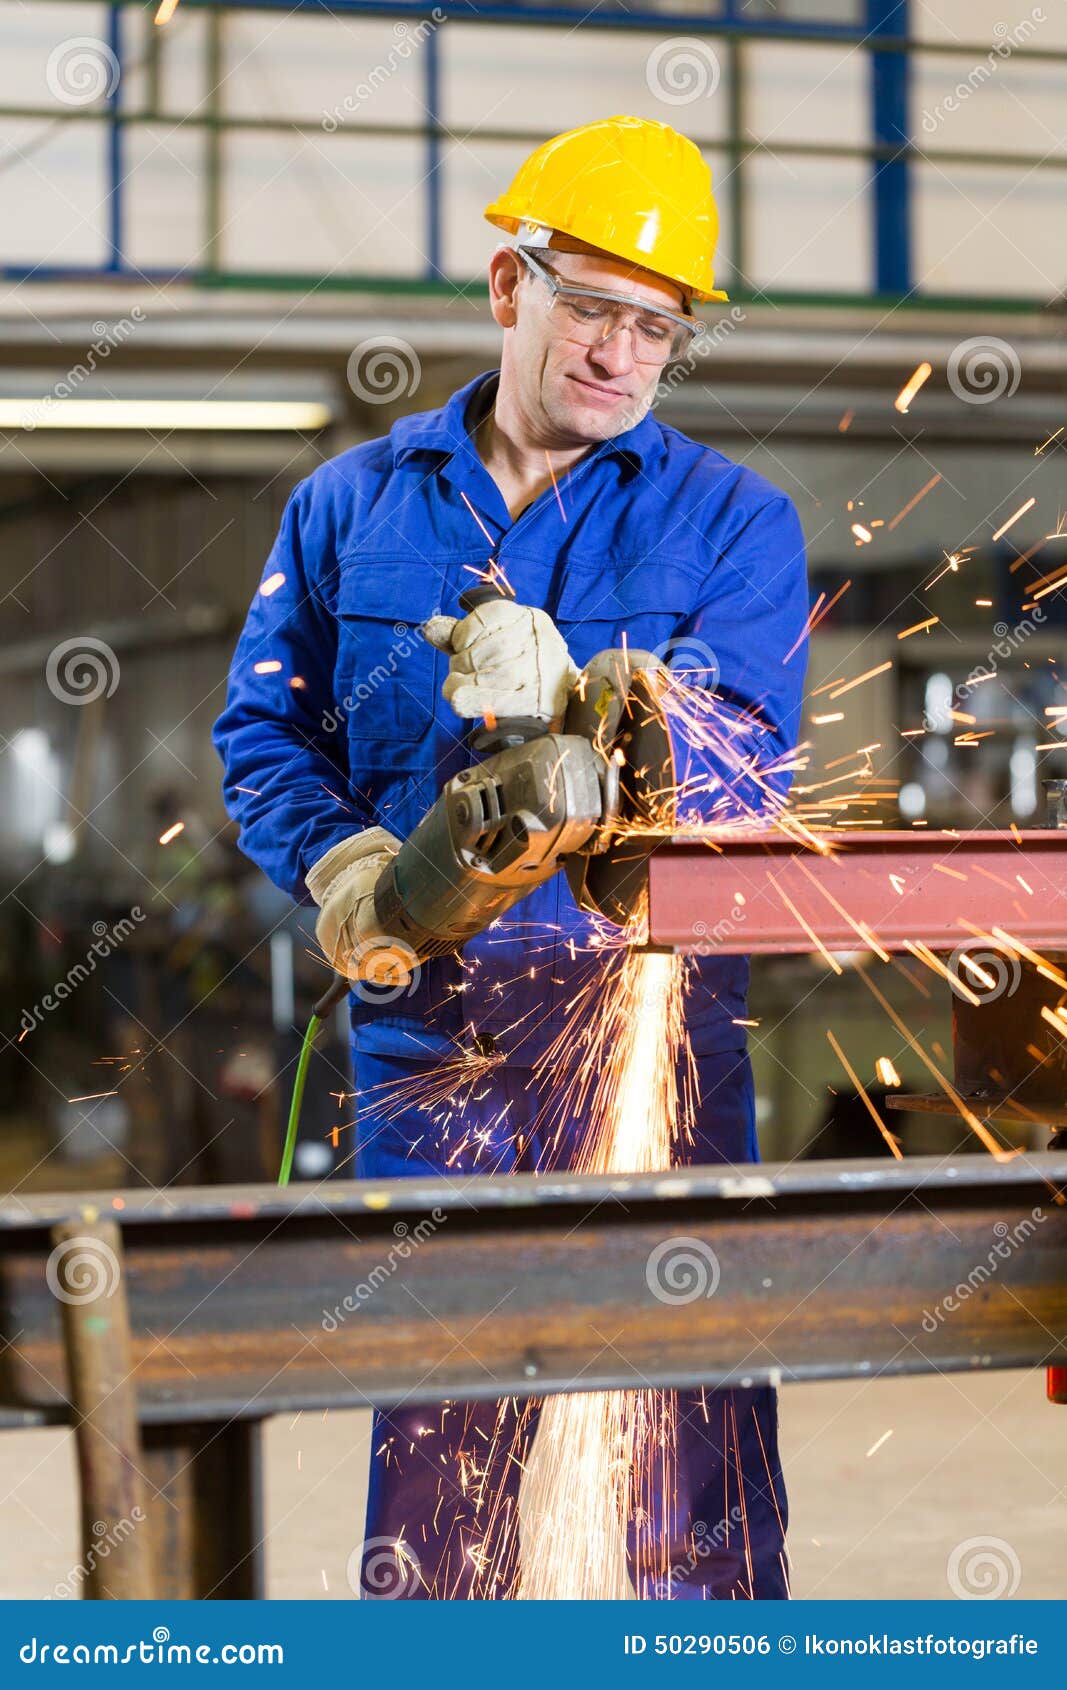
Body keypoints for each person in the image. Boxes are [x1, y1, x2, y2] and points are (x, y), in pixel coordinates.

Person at [214, 115, 809, 1600]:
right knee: (448, 1449)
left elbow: (747, 764)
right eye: (593, 308)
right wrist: (345, 862)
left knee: (677, 1444)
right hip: (433, 1039)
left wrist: (620, 717)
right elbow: (265, 730)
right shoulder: (349, 504)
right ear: (508, 286)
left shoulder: (737, 520)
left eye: (657, 328)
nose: (620, 353)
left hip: (648, 1040)